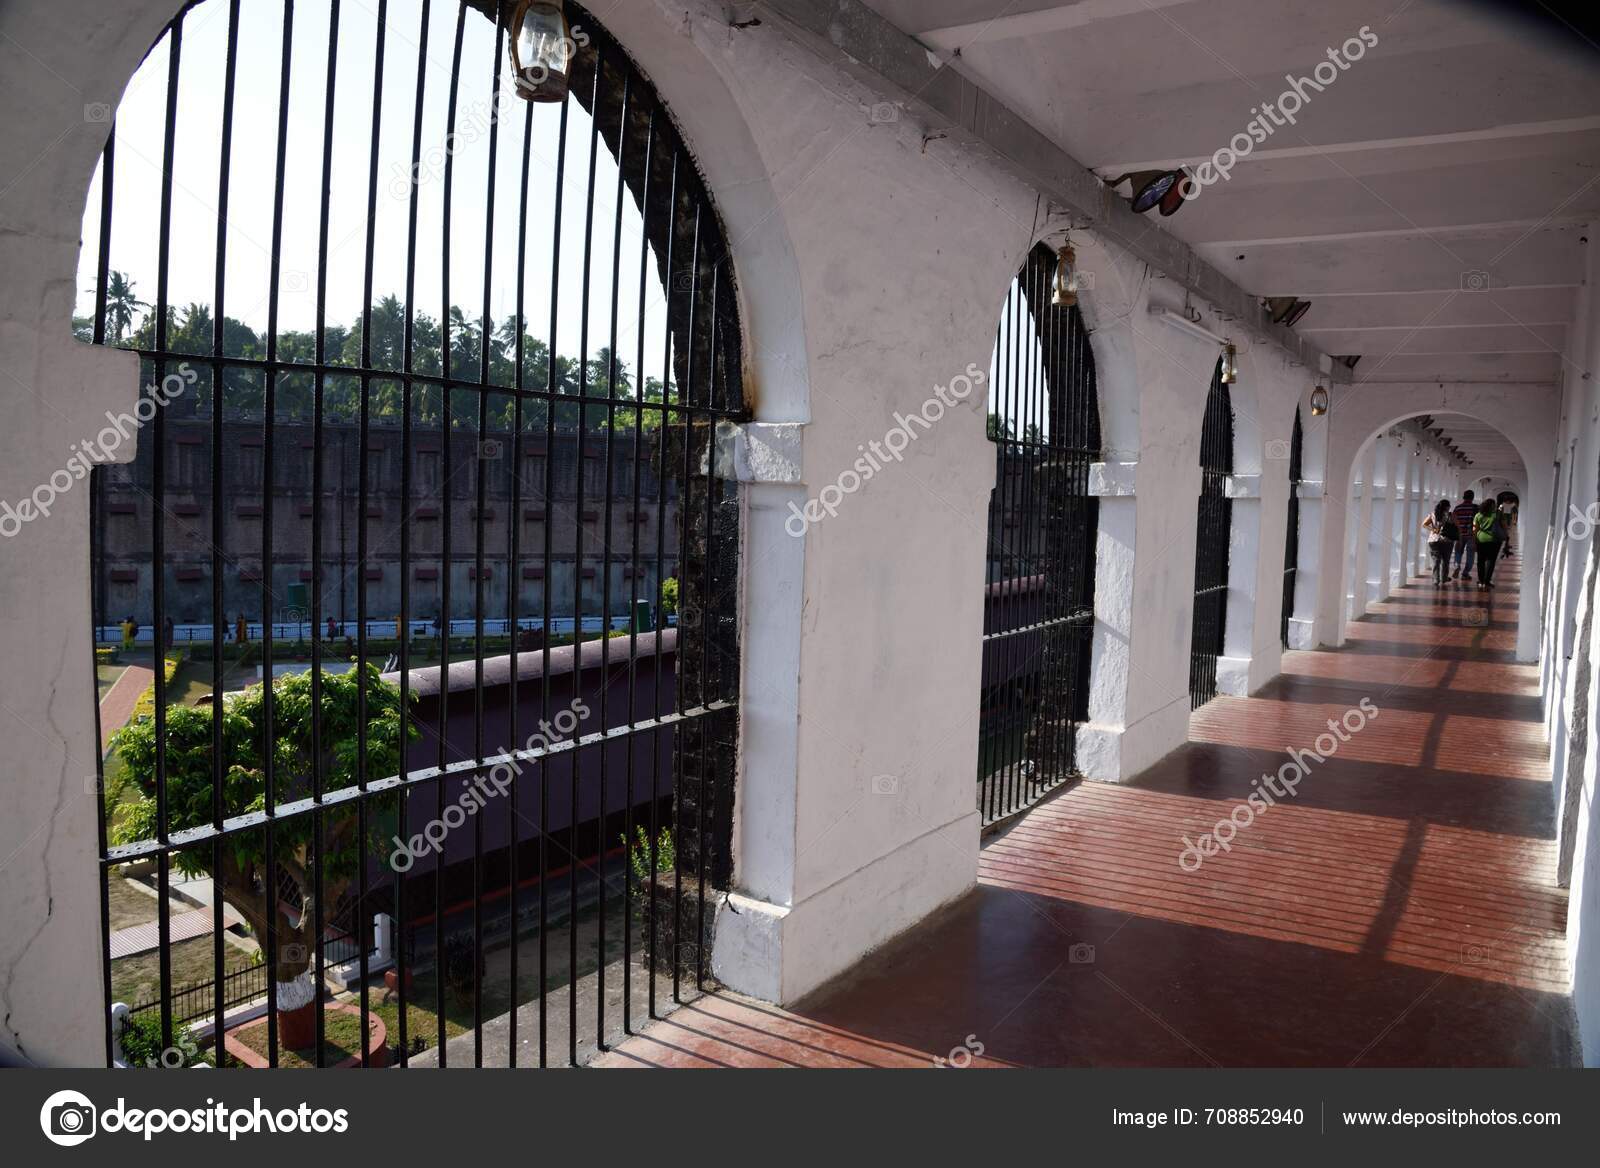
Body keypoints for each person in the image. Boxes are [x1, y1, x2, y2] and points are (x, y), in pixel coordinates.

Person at [1473, 497, 1507, 589]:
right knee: (1491, 561)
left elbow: (1475, 530)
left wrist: (1475, 540)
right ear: (1493, 506)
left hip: (1481, 540)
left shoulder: (1478, 515)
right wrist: (1506, 536)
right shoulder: (1498, 514)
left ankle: (1481, 581)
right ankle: (1487, 581)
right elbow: (1504, 526)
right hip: (1495, 540)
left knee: (1480, 561)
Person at [1423, 499, 1455, 585]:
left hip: (1434, 540)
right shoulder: (1450, 515)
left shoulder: (1433, 514)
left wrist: (1433, 529)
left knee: (1436, 561)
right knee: (1446, 561)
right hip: (1447, 540)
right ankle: (1444, 578)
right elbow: (1456, 527)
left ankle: (1436, 580)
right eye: (1449, 506)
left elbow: (1424, 524)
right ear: (1447, 507)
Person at [1451, 490, 1479, 582]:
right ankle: (1465, 573)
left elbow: (1453, 520)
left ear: (1464, 497)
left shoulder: (1458, 508)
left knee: (1458, 552)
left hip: (1459, 534)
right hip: (1471, 535)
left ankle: (1457, 565)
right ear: (1472, 497)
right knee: (1470, 555)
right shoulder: (1475, 508)